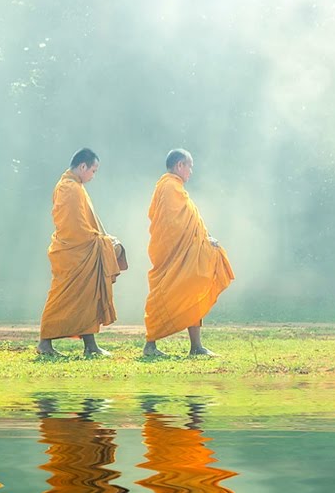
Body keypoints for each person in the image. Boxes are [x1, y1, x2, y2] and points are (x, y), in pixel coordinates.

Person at [143, 149, 234, 357]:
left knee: (193, 291)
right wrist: (201, 239)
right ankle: (150, 345)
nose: (191, 171)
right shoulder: (169, 187)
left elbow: (191, 220)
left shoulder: (174, 187)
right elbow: (172, 225)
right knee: (165, 294)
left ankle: (196, 346)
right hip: (174, 254)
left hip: (185, 252)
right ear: (179, 166)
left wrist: (204, 239)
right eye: (189, 166)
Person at [37, 148, 124, 357]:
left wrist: (100, 239)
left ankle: (90, 345)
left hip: (81, 250)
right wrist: (100, 241)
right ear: (82, 166)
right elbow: (75, 227)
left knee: (88, 297)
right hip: (74, 251)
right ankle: (44, 344)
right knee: (61, 297)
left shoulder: (74, 186)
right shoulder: (70, 188)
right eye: (93, 170)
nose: (93, 175)